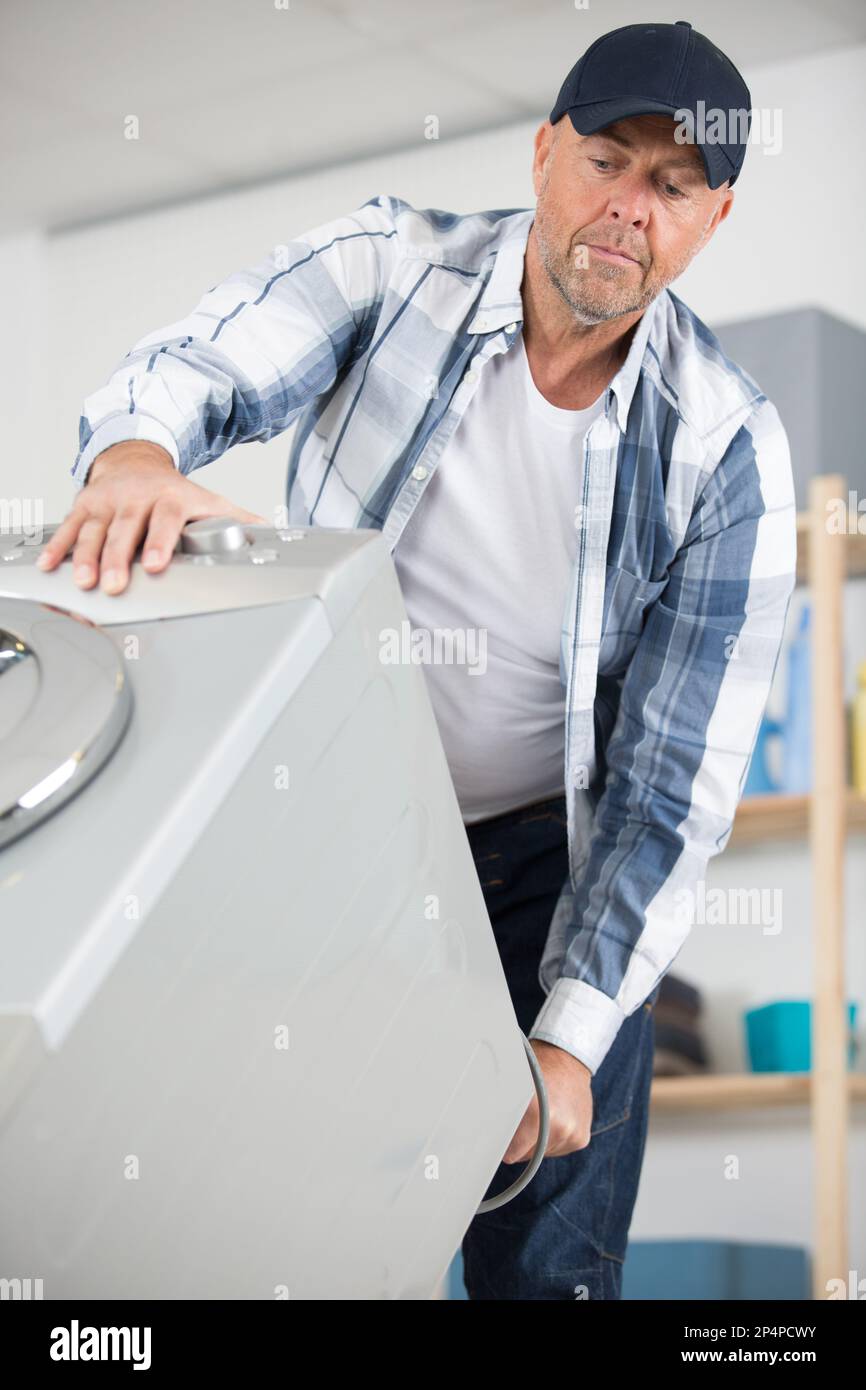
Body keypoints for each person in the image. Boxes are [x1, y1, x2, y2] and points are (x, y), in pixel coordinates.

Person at [39, 20, 796, 1299]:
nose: (628, 208)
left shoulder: (727, 450)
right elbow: (194, 365)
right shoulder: (390, 266)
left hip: (549, 879)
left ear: (712, 219)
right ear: (544, 150)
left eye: (671, 187)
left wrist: (563, 1046)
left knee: (547, 1276)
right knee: (268, 1237)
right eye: (608, 159)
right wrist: (133, 454)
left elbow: (669, 791)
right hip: (322, 840)